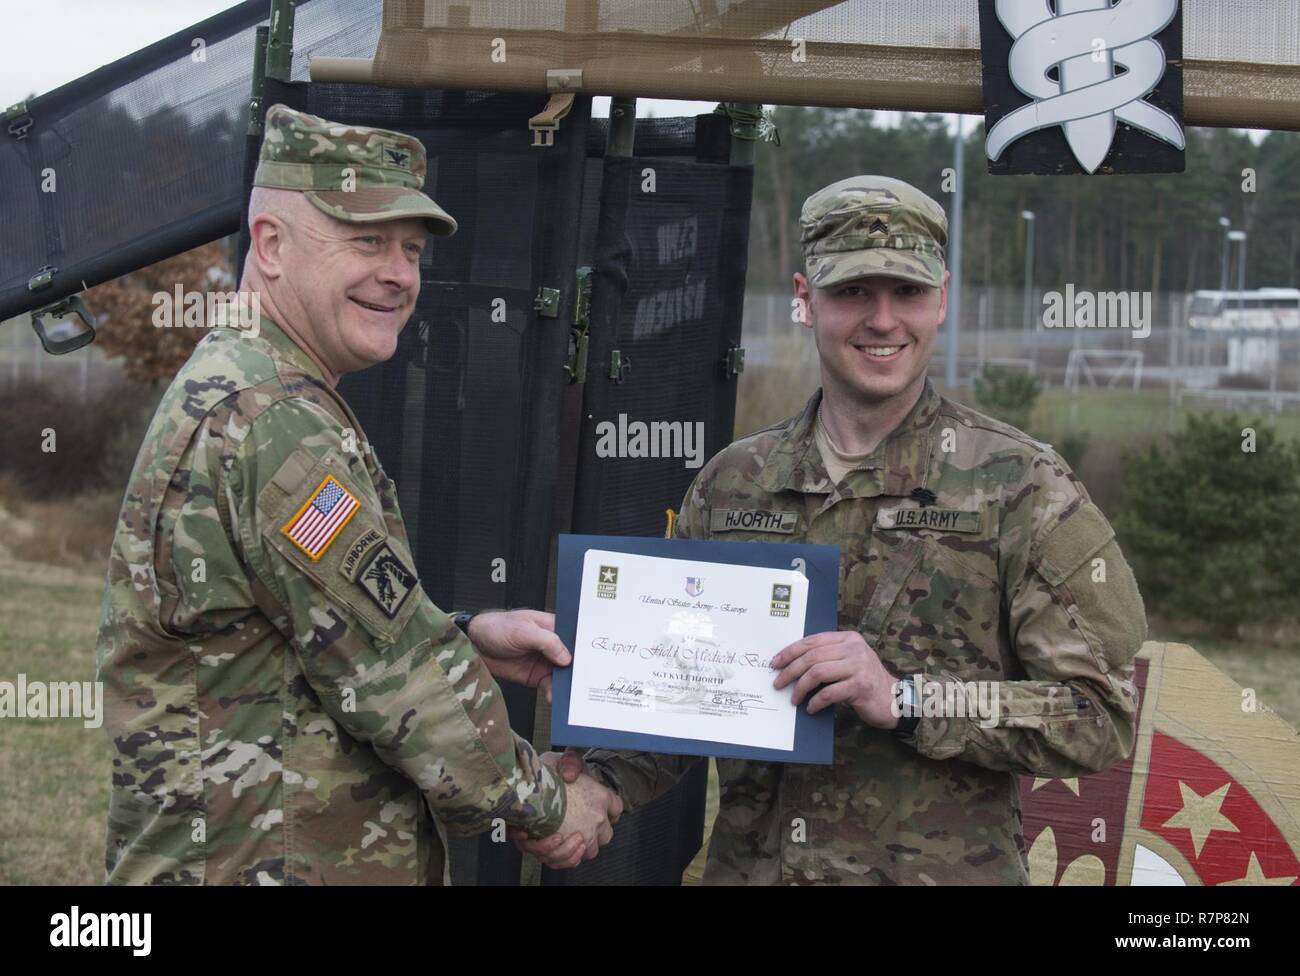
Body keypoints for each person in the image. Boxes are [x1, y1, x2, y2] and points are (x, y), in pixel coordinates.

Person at [516, 175, 1147, 884]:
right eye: (851, 292)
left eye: (906, 293)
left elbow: (1098, 715)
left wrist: (905, 698)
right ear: (803, 299)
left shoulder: (1020, 485)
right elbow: (684, 696)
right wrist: (602, 785)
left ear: (941, 298)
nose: (882, 320)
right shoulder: (731, 485)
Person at [94, 104, 618, 885]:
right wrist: (548, 804)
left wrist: (467, 632)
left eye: (410, 250)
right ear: (270, 245)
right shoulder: (274, 419)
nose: (399, 274)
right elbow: (396, 671)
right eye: (365, 240)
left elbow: (310, 629)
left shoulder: (250, 382)